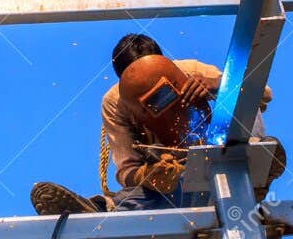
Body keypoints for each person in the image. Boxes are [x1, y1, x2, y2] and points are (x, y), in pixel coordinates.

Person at [29, 32, 277, 216]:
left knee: (241, 102)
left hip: (227, 155)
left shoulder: (188, 69)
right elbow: (127, 171)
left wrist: (215, 87)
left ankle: (255, 156)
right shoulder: (115, 103)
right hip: (179, 184)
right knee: (133, 201)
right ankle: (98, 213)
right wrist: (153, 176)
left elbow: (263, 93)